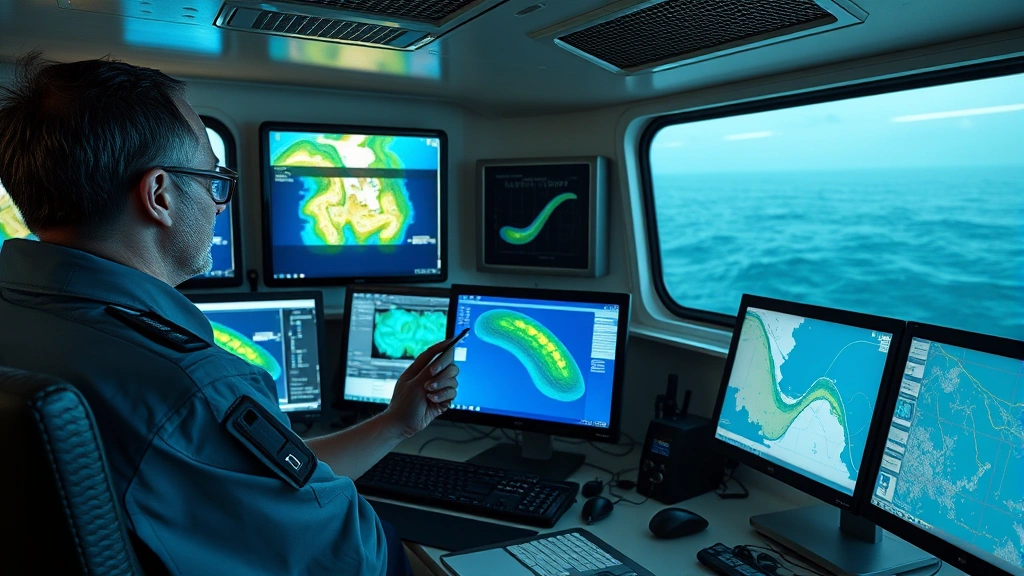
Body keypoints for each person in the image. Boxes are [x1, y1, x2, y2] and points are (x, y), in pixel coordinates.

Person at [0, 53, 459, 576]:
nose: (221, 204)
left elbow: (272, 478)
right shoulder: (193, 388)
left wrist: (396, 424)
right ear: (160, 196)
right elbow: (350, 554)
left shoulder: (21, 318)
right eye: (212, 177)